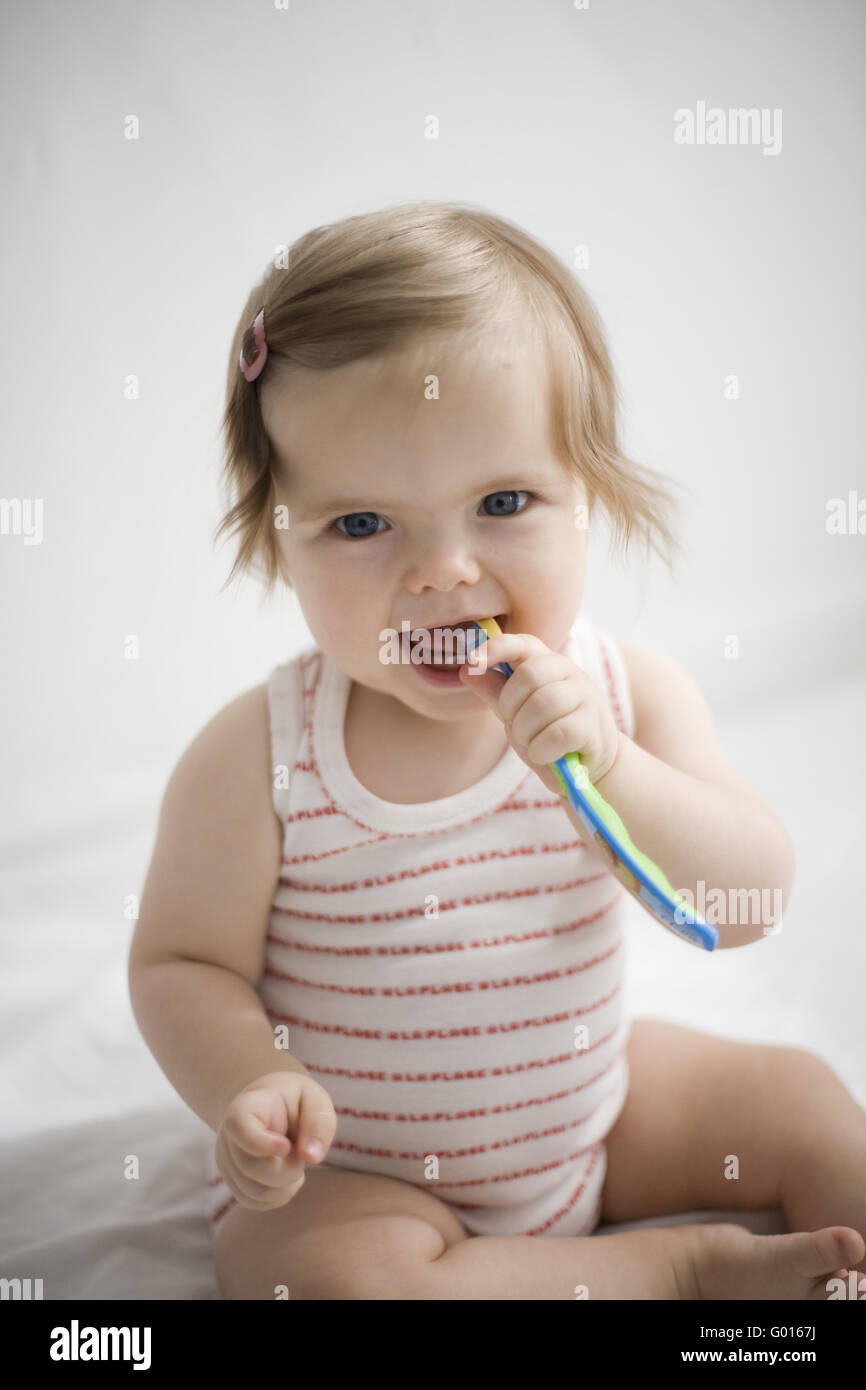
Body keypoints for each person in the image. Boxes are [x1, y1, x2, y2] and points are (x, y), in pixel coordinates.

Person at [128, 201, 866, 1300]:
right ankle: (666, 1270)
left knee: (805, 1099)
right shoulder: (256, 758)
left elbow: (743, 899)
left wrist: (607, 767)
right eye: (362, 524)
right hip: (362, 1172)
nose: (442, 569)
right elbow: (180, 964)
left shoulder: (625, 694)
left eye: (503, 501)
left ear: (589, 501)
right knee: (328, 1285)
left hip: (594, 1110)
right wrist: (253, 1081)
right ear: (277, 536)